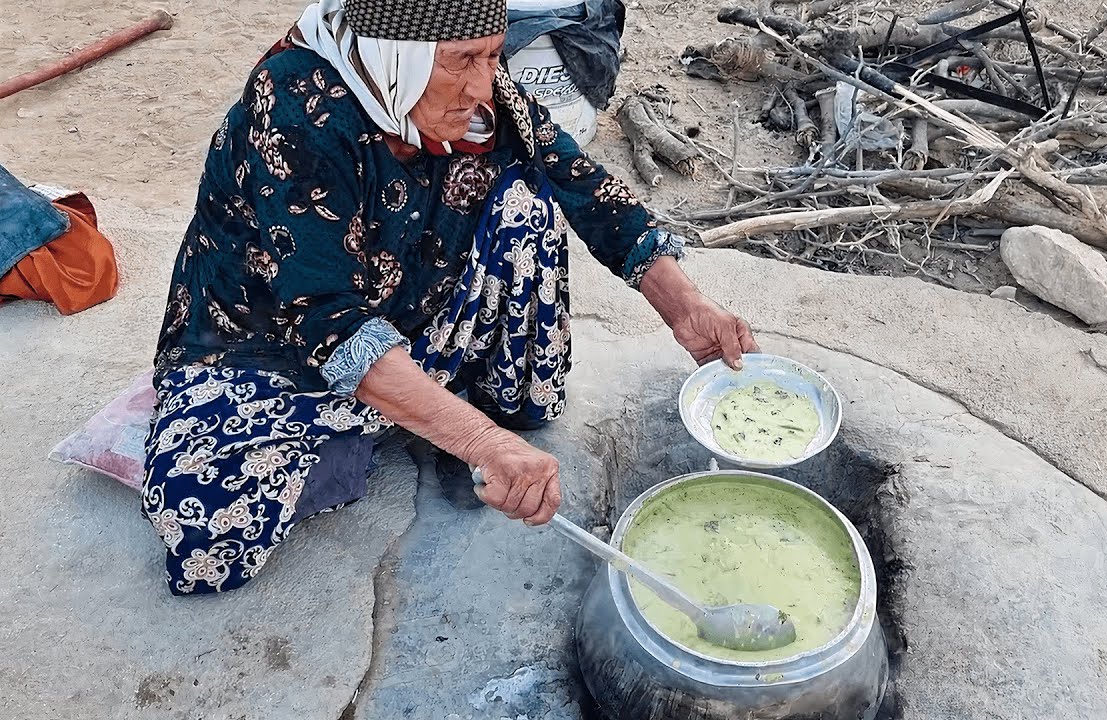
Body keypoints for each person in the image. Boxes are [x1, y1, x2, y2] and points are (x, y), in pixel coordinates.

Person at [141, 0, 758, 596]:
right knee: (202, 537)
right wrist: (478, 442)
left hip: (408, 310)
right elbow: (327, 319)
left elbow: (581, 182)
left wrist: (684, 306)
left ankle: (436, 409)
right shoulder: (297, 107)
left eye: (494, 56)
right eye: (463, 60)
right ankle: (368, 432)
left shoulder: (477, 87)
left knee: (523, 206)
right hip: (264, 348)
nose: (483, 86)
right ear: (396, 54)